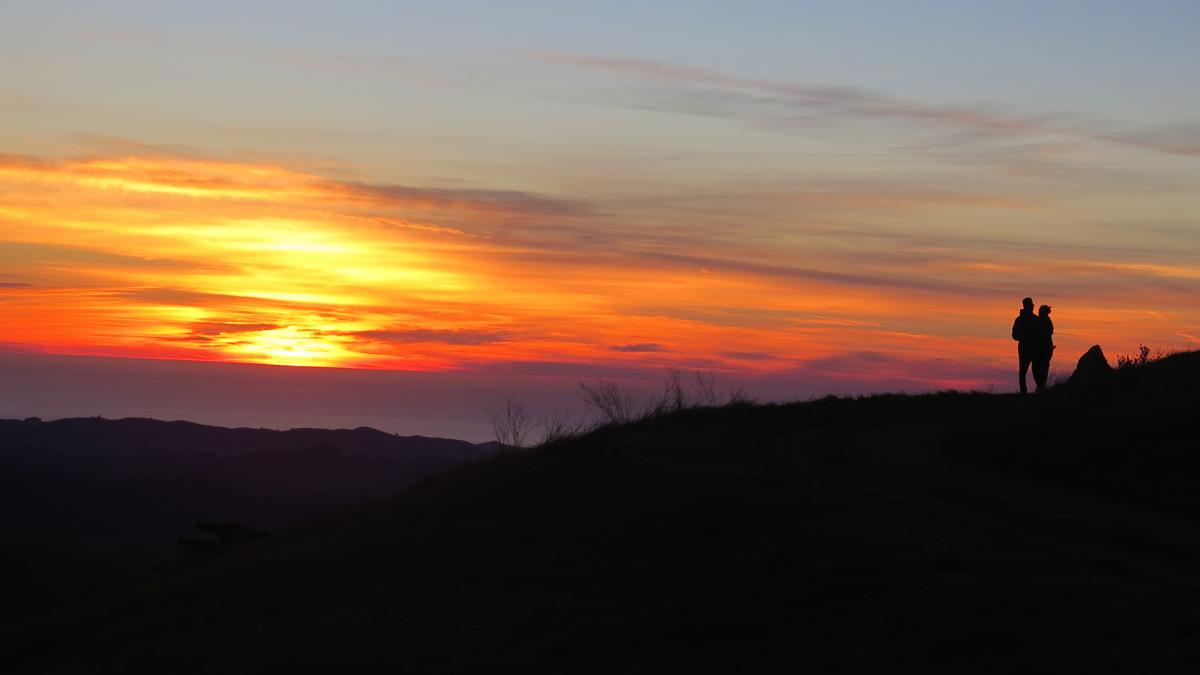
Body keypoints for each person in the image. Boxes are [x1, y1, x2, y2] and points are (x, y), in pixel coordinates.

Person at [1011, 297, 1037, 394]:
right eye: (1031, 306)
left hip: (1032, 348)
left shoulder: (1034, 319)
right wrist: (1024, 337)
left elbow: (1014, 335)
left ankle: (1038, 389)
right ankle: (1024, 392)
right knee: (1024, 371)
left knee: (1036, 370)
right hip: (1026, 348)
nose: (1032, 307)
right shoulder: (1023, 320)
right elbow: (1014, 335)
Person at [1030, 304, 1054, 392]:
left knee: (1040, 367)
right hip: (1044, 348)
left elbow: (1046, 334)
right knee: (1040, 367)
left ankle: (1041, 385)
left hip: (1043, 349)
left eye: (1041, 311)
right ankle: (1041, 385)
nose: (1039, 312)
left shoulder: (1043, 321)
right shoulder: (1042, 321)